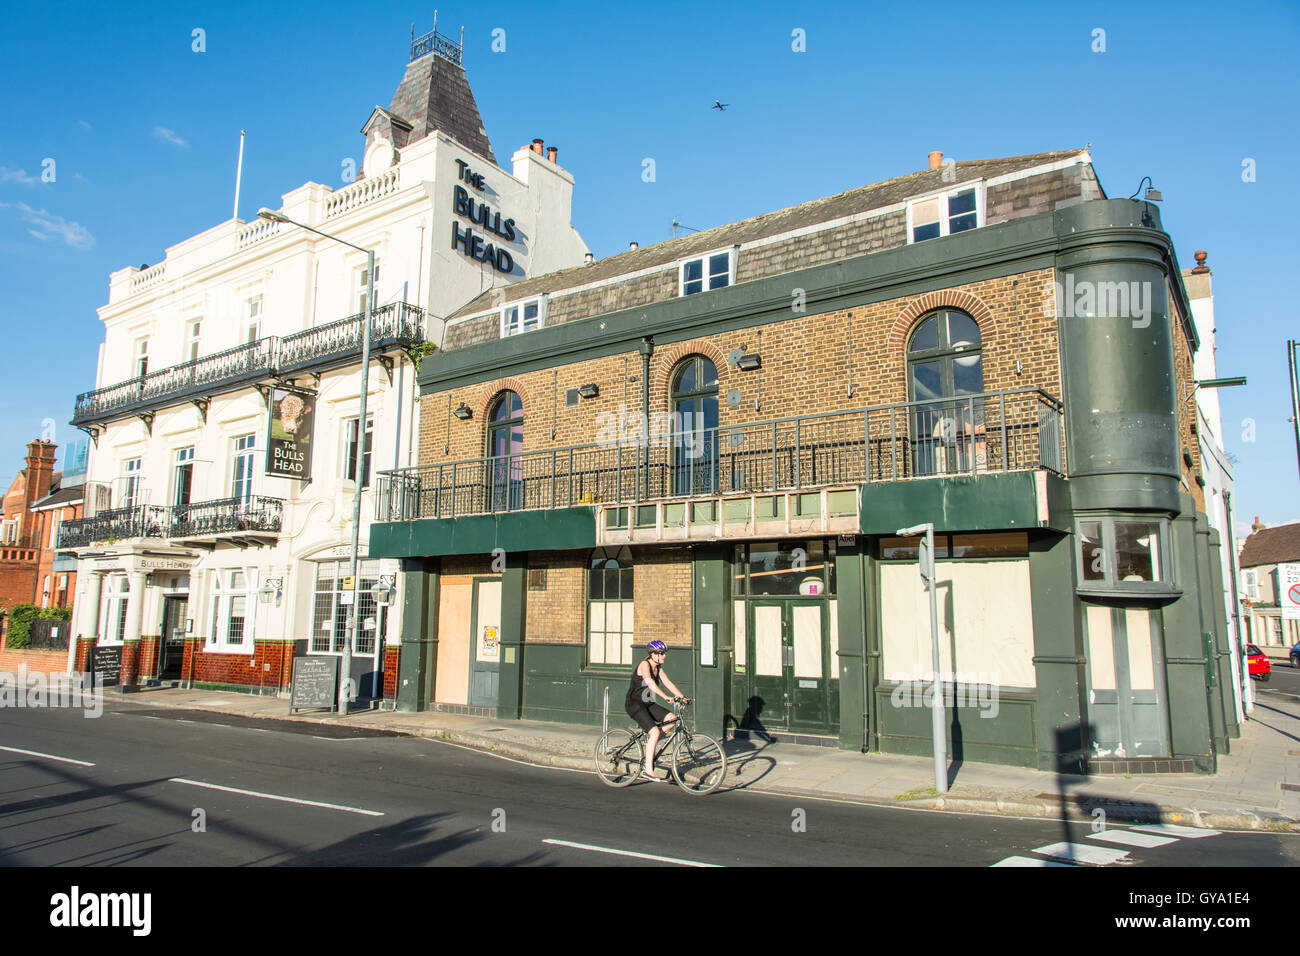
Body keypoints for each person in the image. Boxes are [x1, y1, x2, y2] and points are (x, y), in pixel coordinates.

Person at [625, 640, 688, 780]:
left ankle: (650, 747)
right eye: (662, 654)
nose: (664, 656)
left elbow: (668, 683)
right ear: (653, 654)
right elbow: (650, 683)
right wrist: (665, 697)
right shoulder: (644, 665)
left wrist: (682, 697)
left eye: (664, 654)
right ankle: (648, 770)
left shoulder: (658, 668)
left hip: (648, 704)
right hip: (635, 704)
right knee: (654, 732)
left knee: (672, 719)